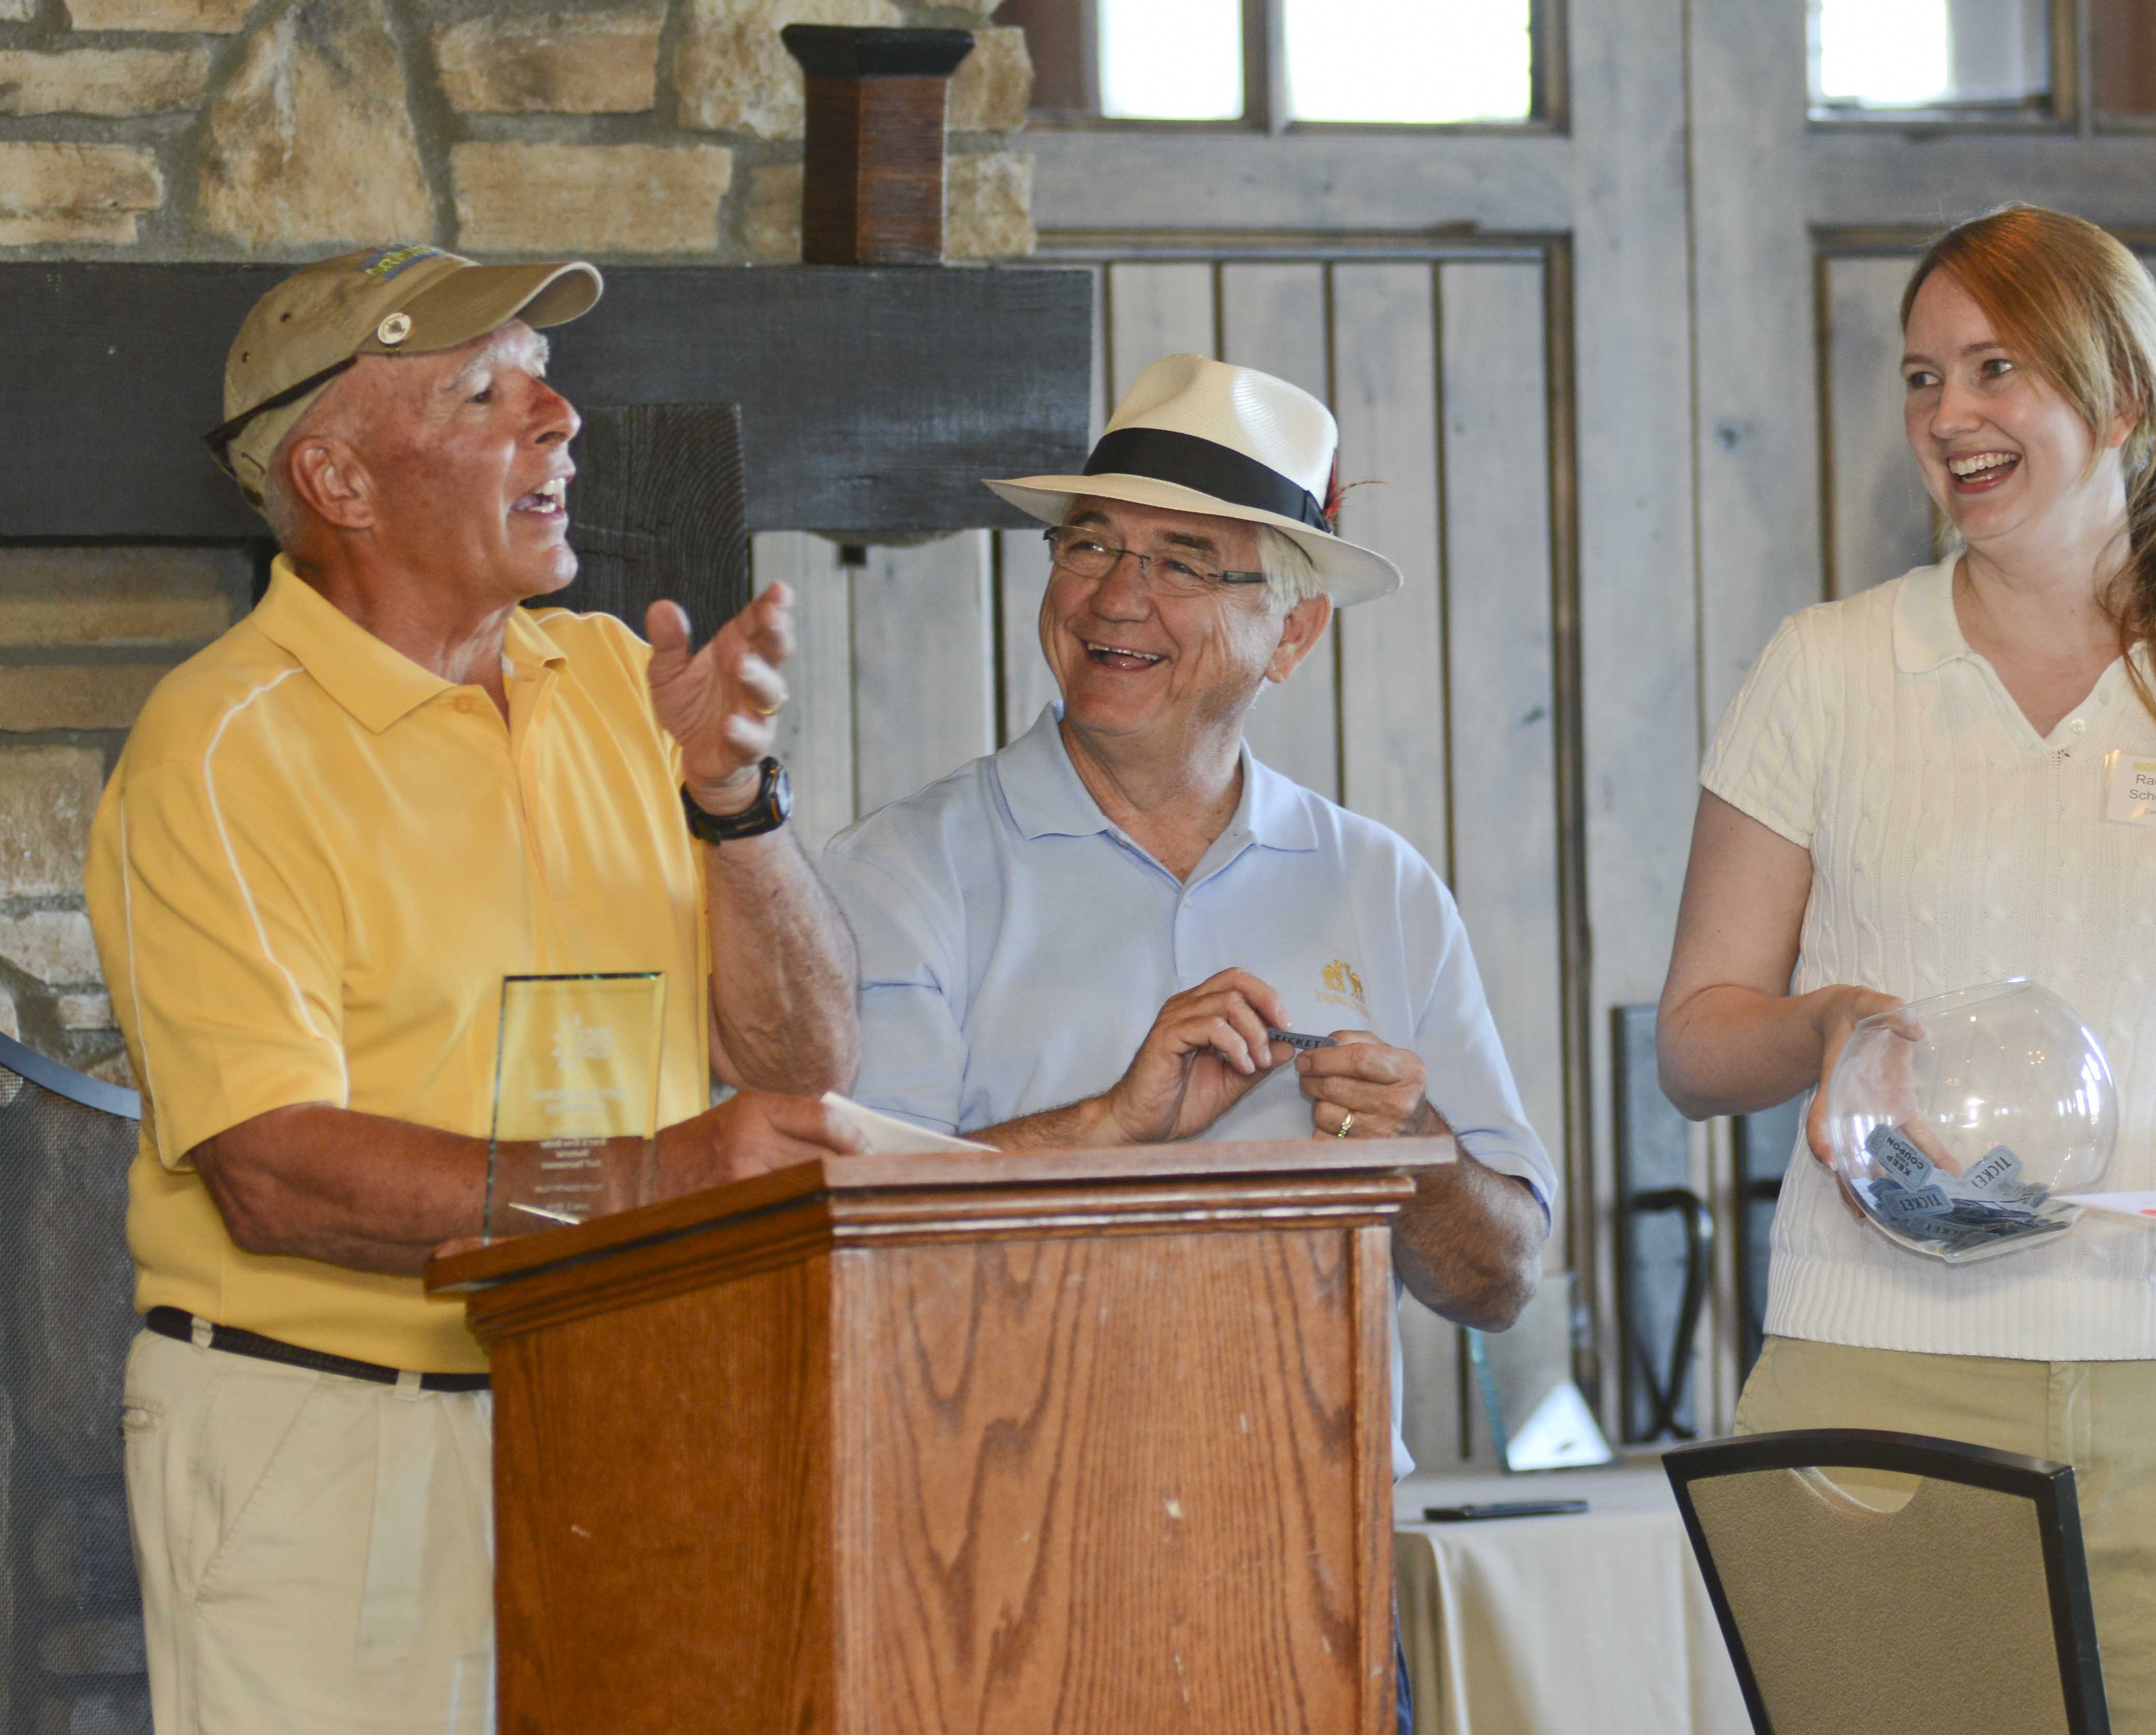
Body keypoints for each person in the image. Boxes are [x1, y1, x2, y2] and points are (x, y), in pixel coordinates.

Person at [1655, 205, 2156, 1734]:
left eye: (1993, 369)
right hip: (1880, 1387)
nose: (1947, 416)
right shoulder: (1823, 669)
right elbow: (1696, 1041)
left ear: (2118, 397)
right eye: (1920, 378)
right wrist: (1823, 1026)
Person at [85, 245, 867, 1734]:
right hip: (333, 1444)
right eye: (482, 389)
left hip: (636, 1409)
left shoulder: (617, 682)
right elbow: (275, 1175)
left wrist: (732, 802)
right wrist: (653, 1179)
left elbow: (799, 1054)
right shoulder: (219, 746)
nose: (560, 414)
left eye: (545, 379)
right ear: (341, 480)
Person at [820, 353, 1557, 1728]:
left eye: (1181, 560)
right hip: (994, 1563)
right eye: (1089, 543)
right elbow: (849, 1245)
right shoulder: (904, 871)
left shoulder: (1379, 884)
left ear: (1292, 636)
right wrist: (1104, 1129)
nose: (1113, 595)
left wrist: (1413, 1156)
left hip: (1312, 1565)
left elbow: (1501, 1279)